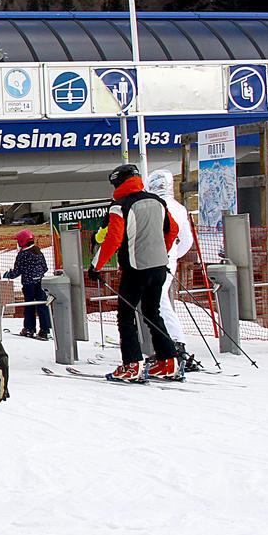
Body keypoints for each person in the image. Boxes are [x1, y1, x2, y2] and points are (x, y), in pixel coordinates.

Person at [87, 164, 181, 382]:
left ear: (118, 182)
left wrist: (96, 266)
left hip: (135, 268)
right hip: (159, 266)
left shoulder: (119, 206)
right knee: (152, 313)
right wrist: (162, 253)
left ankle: (132, 364)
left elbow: (113, 239)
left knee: (126, 317)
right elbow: (173, 230)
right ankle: (168, 360)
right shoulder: (157, 201)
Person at [147, 170, 199, 370]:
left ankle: (175, 344)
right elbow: (186, 240)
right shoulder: (179, 207)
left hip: (155, 259)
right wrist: (174, 254)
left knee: (158, 301)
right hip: (169, 258)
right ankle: (169, 344)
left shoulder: (154, 206)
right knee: (158, 300)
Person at [4, 229, 50, 340]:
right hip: (40, 283)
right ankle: (45, 330)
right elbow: (45, 267)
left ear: (22, 242)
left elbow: (17, 270)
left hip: (28, 284)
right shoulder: (38, 252)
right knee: (42, 305)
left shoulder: (23, 254)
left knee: (29, 306)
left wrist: (9, 275)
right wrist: (38, 274)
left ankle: (29, 328)